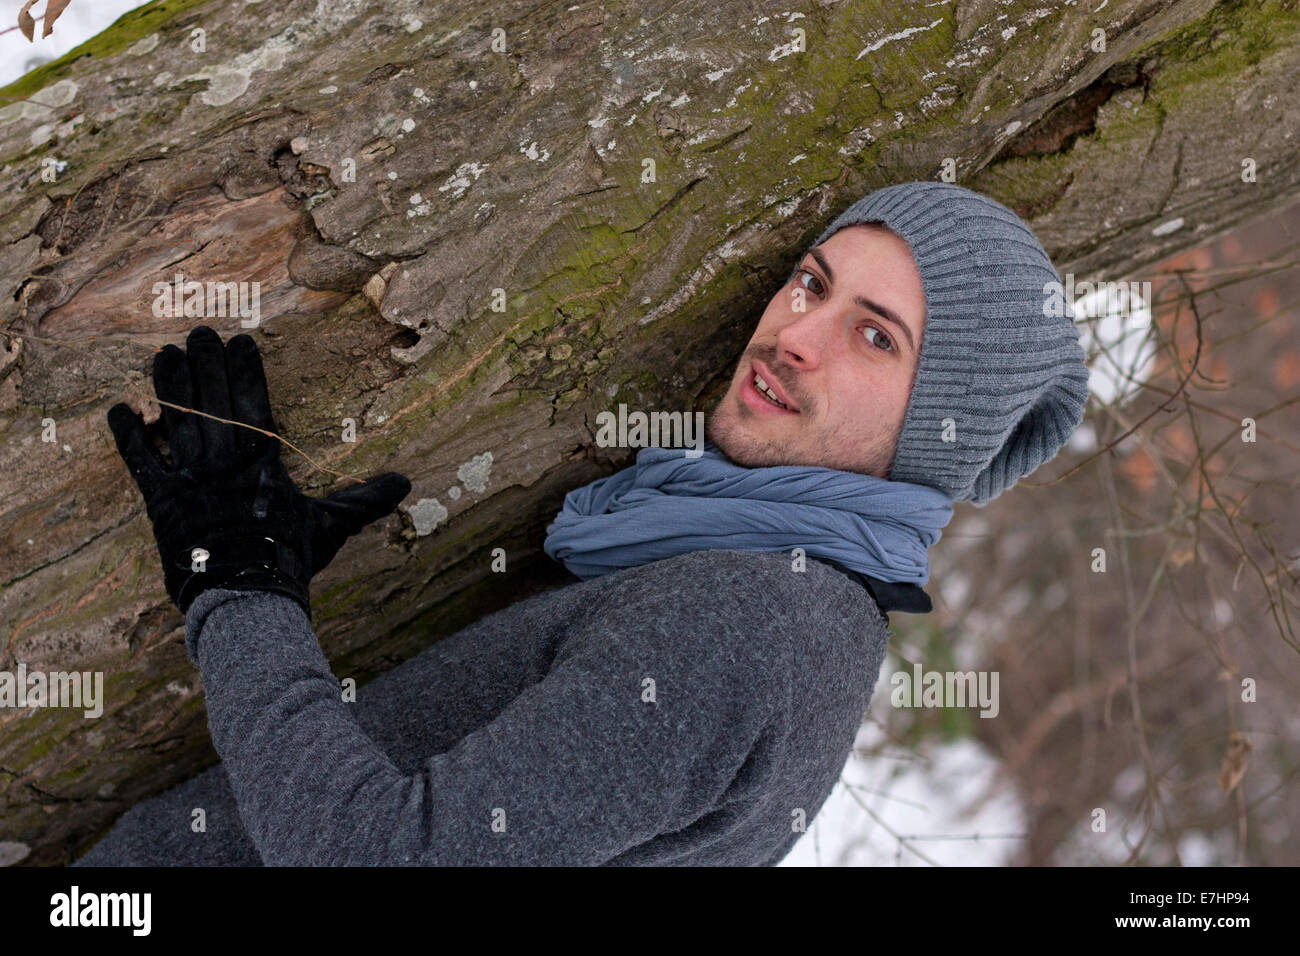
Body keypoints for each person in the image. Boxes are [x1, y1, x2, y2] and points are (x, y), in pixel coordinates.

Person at [75, 181, 1089, 866]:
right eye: (811, 283)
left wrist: (239, 587)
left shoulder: (756, 619)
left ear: (936, 433)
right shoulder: (776, 588)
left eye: (875, 335)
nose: (794, 336)